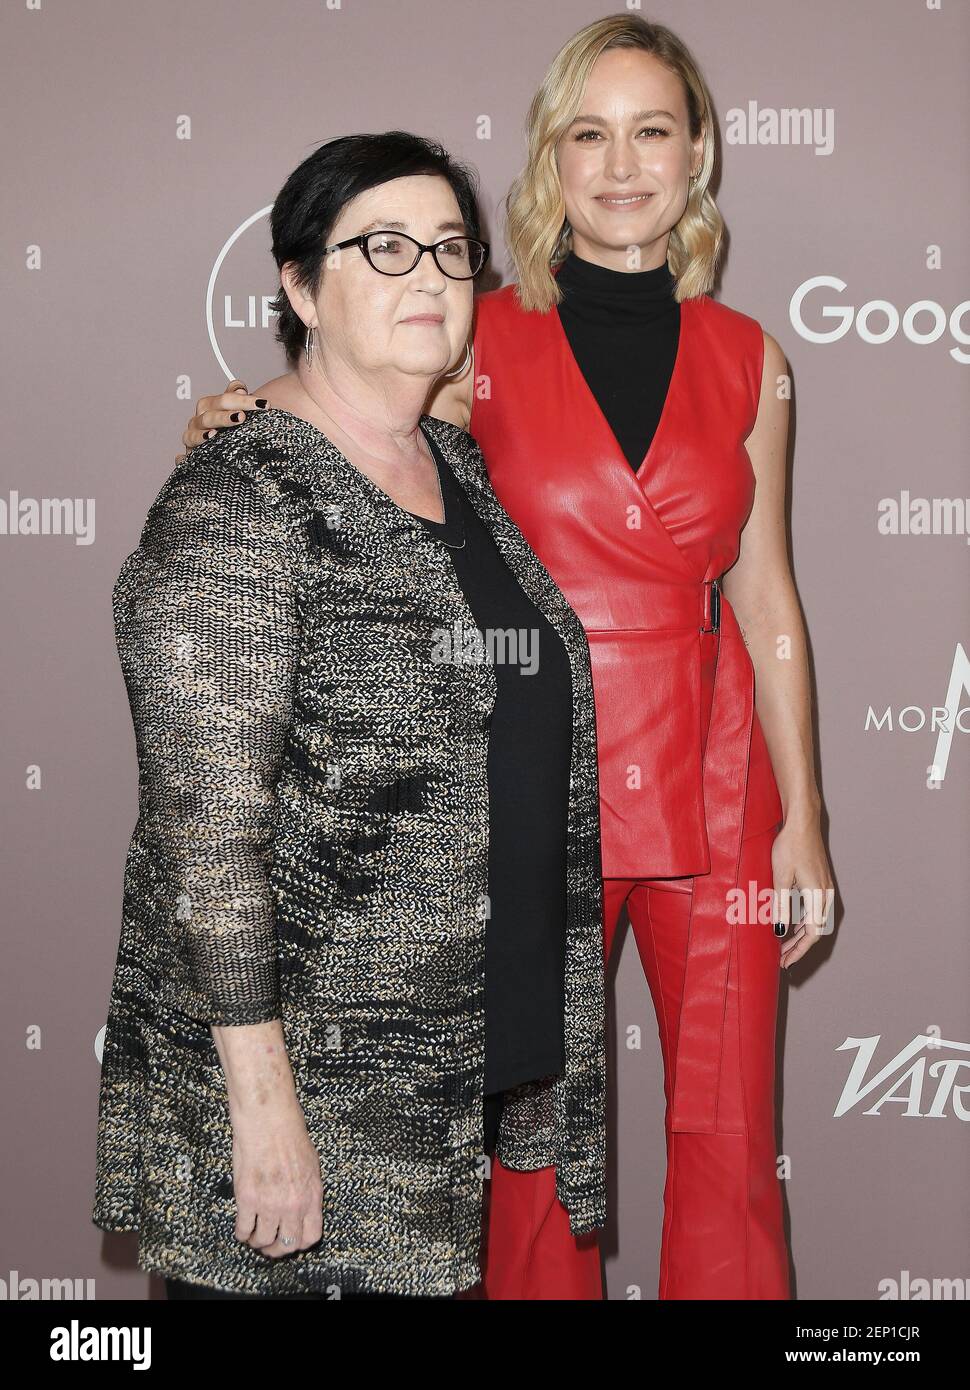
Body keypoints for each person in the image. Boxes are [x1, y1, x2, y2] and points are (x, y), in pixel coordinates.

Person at [181, 16, 836, 1301]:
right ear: (551, 157)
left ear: (697, 153)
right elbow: (350, 411)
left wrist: (803, 820)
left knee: (730, 1136)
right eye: (587, 133)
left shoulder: (752, 358)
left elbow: (768, 602)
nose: (620, 163)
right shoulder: (478, 334)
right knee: (533, 1142)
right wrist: (237, 407)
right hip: (529, 770)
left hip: (713, 772)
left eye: (652, 130)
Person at [92, 130, 607, 1300]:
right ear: (298, 285)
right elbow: (205, 840)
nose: (426, 274)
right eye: (381, 247)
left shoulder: (452, 465)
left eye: (447, 248)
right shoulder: (240, 497)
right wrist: (261, 1112)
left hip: (437, 1084)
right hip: (313, 1105)